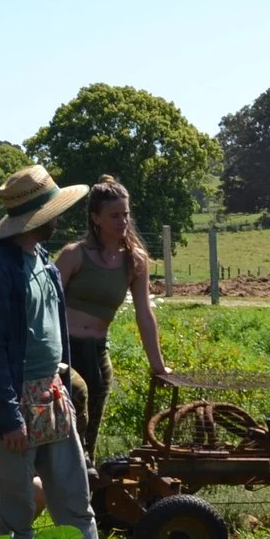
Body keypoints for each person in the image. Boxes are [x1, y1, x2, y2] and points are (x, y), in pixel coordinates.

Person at [0, 165, 102, 539]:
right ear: (35, 218)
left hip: (54, 394)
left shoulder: (44, 261)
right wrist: (7, 417)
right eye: (53, 211)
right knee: (18, 504)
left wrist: (66, 387)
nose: (59, 217)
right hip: (17, 402)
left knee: (75, 496)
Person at [55, 176, 175, 457]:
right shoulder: (74, 255)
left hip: (97, 355)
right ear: (96, 218)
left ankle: (87, 490)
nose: (123, 221)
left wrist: (158, 365)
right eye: (114, 215)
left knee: (89, 435)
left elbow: (144, 314)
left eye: (126, 214)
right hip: (64, 352)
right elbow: (43, 306)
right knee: (66, 426)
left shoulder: (135, 260)